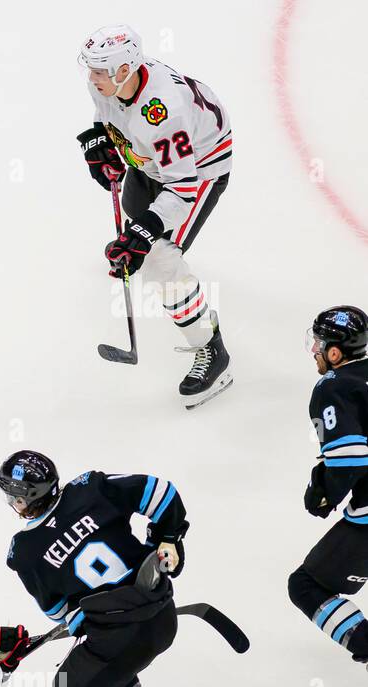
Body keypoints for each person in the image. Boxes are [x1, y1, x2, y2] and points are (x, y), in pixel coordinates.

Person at [0, 450, 190, 687]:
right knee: (117, 682)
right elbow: (161, 491)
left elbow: (59, 613)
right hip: (161, 617)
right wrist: (167, 539)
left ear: (21, 499)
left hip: (119, 638)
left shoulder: (24, 552)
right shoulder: (90, 488)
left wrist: (81, 616)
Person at [77, 24, 234, 408]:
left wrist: (144, 237)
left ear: (125, 71)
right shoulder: (109, 82)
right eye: (92, 68)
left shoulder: (162, 111)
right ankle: (143, 246)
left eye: (101, 70)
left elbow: (181, 188)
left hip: (198, 171)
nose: (92, 78)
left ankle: (212, 351)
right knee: (138, 217)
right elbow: (107, 114)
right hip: (151, 161)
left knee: (161, 260)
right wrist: (99, 140)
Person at [287, 306, 368, 686]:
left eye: (319, 343)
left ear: (335, 352)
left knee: (306, 585)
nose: (315, 350)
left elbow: (350, 456)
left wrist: (323, 494)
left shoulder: (333, 384)